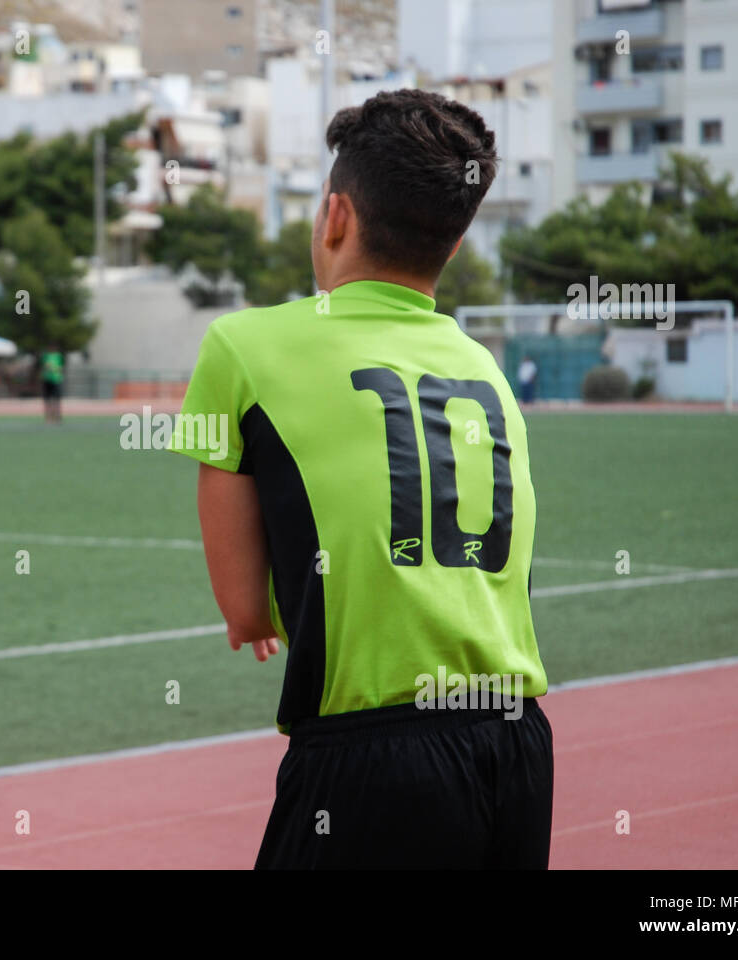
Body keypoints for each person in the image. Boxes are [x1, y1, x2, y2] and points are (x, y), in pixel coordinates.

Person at [171, 89, 552, 869]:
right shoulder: (481, 365)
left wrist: (254, 622)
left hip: (373, 758)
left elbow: (244, 606)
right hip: (518, 743)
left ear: (335, 217)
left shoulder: (242, 346)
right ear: (451, 241)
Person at [40, 346, 64, 423]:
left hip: (56, 380)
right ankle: (48, 417)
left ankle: (57, 416)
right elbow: (45, 366)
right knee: (47, 400)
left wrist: (55, 369)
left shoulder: (59, 356)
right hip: (47, 380)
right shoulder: (45, 356)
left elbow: (60, 367)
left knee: (56, 399)